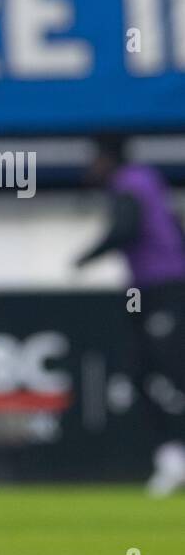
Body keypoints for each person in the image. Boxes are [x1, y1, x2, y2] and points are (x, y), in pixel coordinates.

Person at [75, 133, 185, 496]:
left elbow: (127, 226)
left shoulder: (131, 183)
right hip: (145, 291)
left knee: (169, 369)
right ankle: (172, 457)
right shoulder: (150, 182)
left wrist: (85, 258)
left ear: (107, 159)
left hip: (164, 289)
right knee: (142, 371)